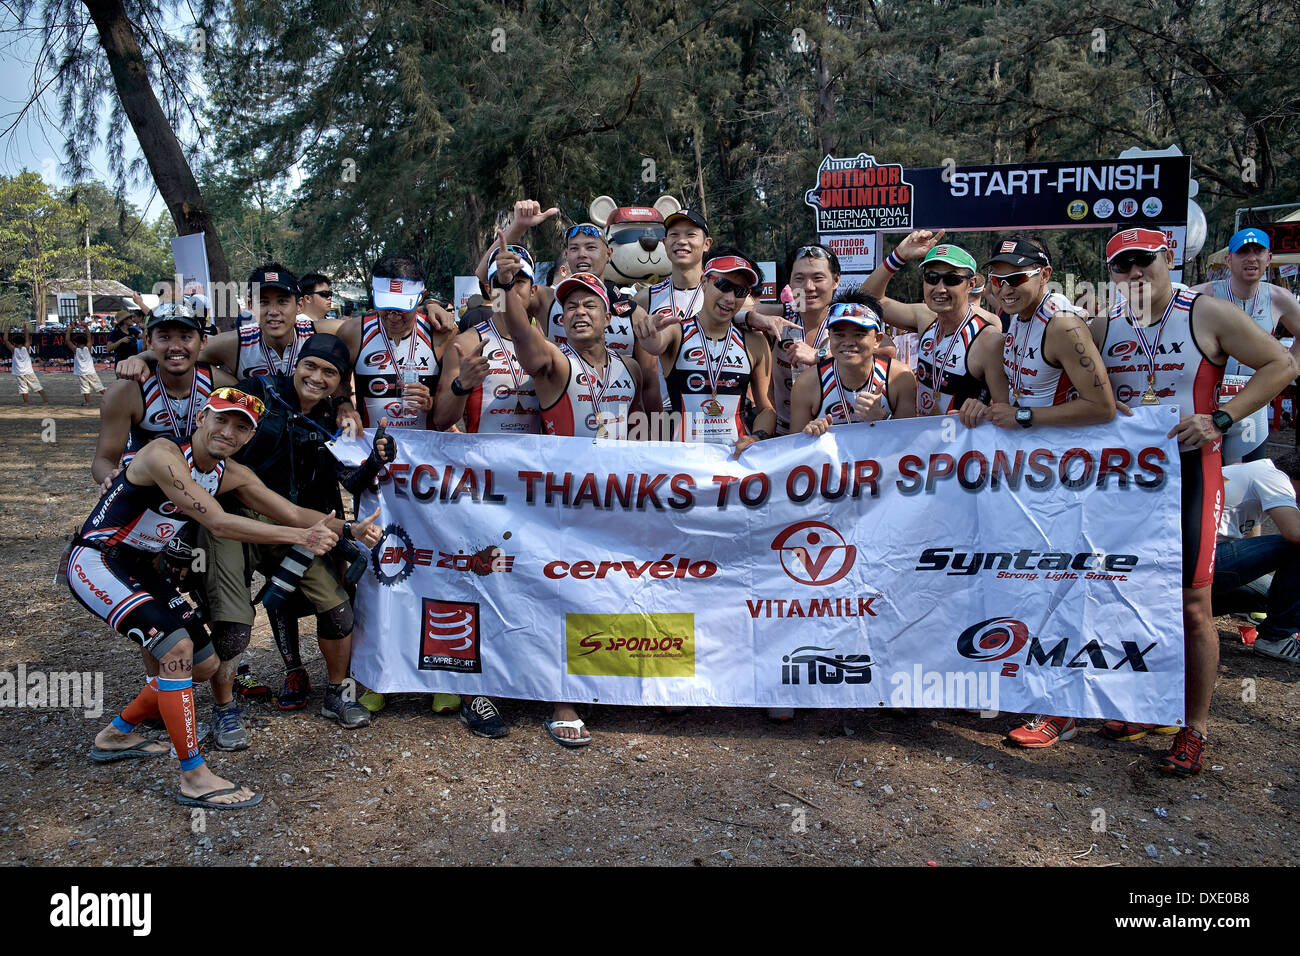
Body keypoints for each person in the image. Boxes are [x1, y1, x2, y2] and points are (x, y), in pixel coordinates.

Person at [67, 387, 341, 809]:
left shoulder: (227, 472)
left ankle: (117, 734)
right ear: (201, 418)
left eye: (241, 427)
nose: (228, 432)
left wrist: (353, 530)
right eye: (221, 419)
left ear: (249, 437)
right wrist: (301, 537)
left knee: (205, 663)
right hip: (96, 560)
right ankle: (194, 776)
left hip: (141, 566)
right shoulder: (162, 453)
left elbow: (289, 511)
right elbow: (217, 521)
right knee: (176, 649)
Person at [1098, 227, 1297, 775]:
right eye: (1122, 266)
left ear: (1167, 259)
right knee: (1126, 594)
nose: (1135, 275)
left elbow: (1282, 364)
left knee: (1191, 605)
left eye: (1144, 262)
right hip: (1130, 481)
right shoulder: (1104, 324)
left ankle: (1195, 728)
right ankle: (1145, 706)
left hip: (1192, 474)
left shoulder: (1204, 311)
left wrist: (1221, 419)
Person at [199, 334, 388, 747]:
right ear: (295, 365)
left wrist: (375, 457)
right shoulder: (256, 392)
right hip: (235, 519)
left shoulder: (335, 421)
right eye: (310, 366)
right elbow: (209, 407)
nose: (316, 378)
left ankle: (336, 692)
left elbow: (350, 479)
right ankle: (225, 708)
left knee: (338, 609)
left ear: (340, 384)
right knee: (233, 624)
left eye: (329, 373)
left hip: (298, 526)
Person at [971, 236, 1118, 748]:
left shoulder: (1062, 324)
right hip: (1034, 473)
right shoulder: (1015, 319)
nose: (1006, 287)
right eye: (998, 279)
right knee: (1032, 585)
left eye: (1017, 277)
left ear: (1044, 274)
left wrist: (1026, 417)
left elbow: (1103, 407)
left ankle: (1063, 710)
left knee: (1064, 590)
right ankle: (1038, 694)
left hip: (1067, 477)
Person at [498, 263, 643, 745]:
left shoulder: (632, 368)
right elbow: (522, 337)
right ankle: (562, 700)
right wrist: (506, 291)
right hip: (562, 505)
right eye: (569, 307)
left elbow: (649, 429)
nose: (579, 313)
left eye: (589, 305)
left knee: (610, 594)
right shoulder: (557, 363)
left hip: (617, 503)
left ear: (607, 316)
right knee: (563, 599)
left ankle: (608, 681)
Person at [634, 246, 777, 451]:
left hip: (734, 458)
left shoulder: (755, 342)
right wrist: (648, 335)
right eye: (722, 284)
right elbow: (656, 344)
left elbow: (766, 410)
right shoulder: (677, 331)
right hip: (683, 459)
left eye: (739, 291)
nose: (729, 298)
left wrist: (755, 438)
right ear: (703, 282)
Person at [860, 231, 1009, 424]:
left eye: (952, 279)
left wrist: (983, 411)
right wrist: (899, 256)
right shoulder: (925, 317)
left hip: (963, 448)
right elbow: (867, 299)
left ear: (971, 284)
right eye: (931, 277)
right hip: (924, 443)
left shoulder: (987, 339)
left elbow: (1006, 411)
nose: (939, 288)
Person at [1191, 228, 1300, 464]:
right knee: (1206, 478)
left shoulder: (1279, 298)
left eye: (1258, 251)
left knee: (1246, 480)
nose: (1251, 258)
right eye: (1243, 252)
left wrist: (1289, 369)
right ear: (1229, 260)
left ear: (1268, 258)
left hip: (1252, 402)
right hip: (1209, 399)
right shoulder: (1203, 295)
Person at [1213, 452, 1300, 661]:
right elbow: (1295, 533)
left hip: (1184, 566)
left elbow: (1248, 540)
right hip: (1193, 565)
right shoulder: (1273, 477)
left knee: (1272, 598)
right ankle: (1275, 639)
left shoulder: (1256, 471)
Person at [791, 295, 917, 435]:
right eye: (839, 335)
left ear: (877, 339)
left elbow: (909, 442)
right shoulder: (806, 384)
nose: (848, 342)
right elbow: (794, 449)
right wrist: (810, 433)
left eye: (859, 335)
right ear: (830, 337)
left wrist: (882, 418)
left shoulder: (899, 377)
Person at [66, 323, 107, 405]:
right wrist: (86, 327)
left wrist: (70, 329)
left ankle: (87, 402)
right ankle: (110, 398)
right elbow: (89, 337)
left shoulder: (76, 350)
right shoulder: (88, 348)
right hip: (91, 371)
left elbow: (67, 340)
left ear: (76, 343)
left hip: (81, 373)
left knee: (85, 388)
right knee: (99, 387)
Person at [6, 328, 47, 404]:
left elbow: (6, 340)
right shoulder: (26, 348)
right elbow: (27, 338)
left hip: (19, 373)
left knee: (23, 389)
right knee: (37, 386)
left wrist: (7, 330)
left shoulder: (14, 350)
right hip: (28, 371)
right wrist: (25, 328)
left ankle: (26, 403)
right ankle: (46, 401)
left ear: (14, 343)